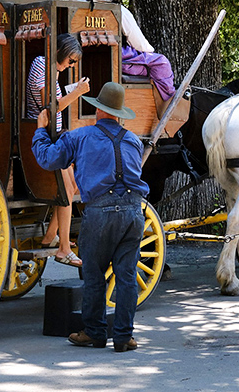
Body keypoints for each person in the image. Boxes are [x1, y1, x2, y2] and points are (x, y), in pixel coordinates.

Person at [32, 82, 149, 352]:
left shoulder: (81, 137)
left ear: (98, 111)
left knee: (94, 275)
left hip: (100, 212)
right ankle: (123, 337)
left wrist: (40, 130)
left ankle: (95, 333)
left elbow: (48, 159)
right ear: (119, 113)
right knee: (127, 276)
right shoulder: (133, 140)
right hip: (133, 212)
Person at [25, 32, 90, 267]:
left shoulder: (49, 70)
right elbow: (50, 109)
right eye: (70, 61)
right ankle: (63, 249)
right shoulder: (42, 66)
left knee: (70, 188)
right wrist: (77, 93)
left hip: (56, 138)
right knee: (64, 192)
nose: (70, 65)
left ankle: (51, 236)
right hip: (49, 140)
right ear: (61, 53)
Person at [75, 0, 176, 102]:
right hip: (117, 60)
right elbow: (139, 44)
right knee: (161, 63)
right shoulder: (120, 10)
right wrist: (149, 51)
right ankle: (168, 103)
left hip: (81, 59)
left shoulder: (77, 8)